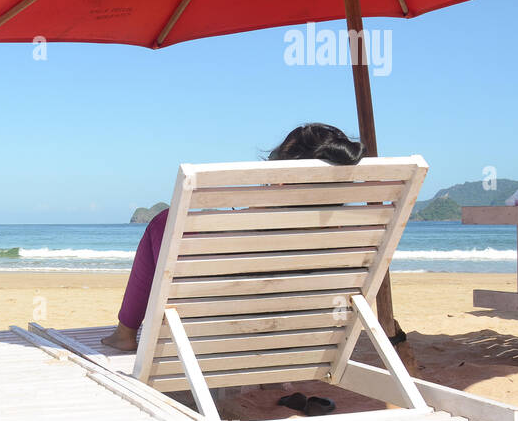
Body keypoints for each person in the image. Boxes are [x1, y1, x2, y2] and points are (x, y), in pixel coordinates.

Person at [101, 123, 365, 352]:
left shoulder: (237, 230)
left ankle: (125, 334)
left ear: (283, 179)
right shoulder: (344, 239)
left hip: (220, 340)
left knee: (162, 222)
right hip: (305, 345)